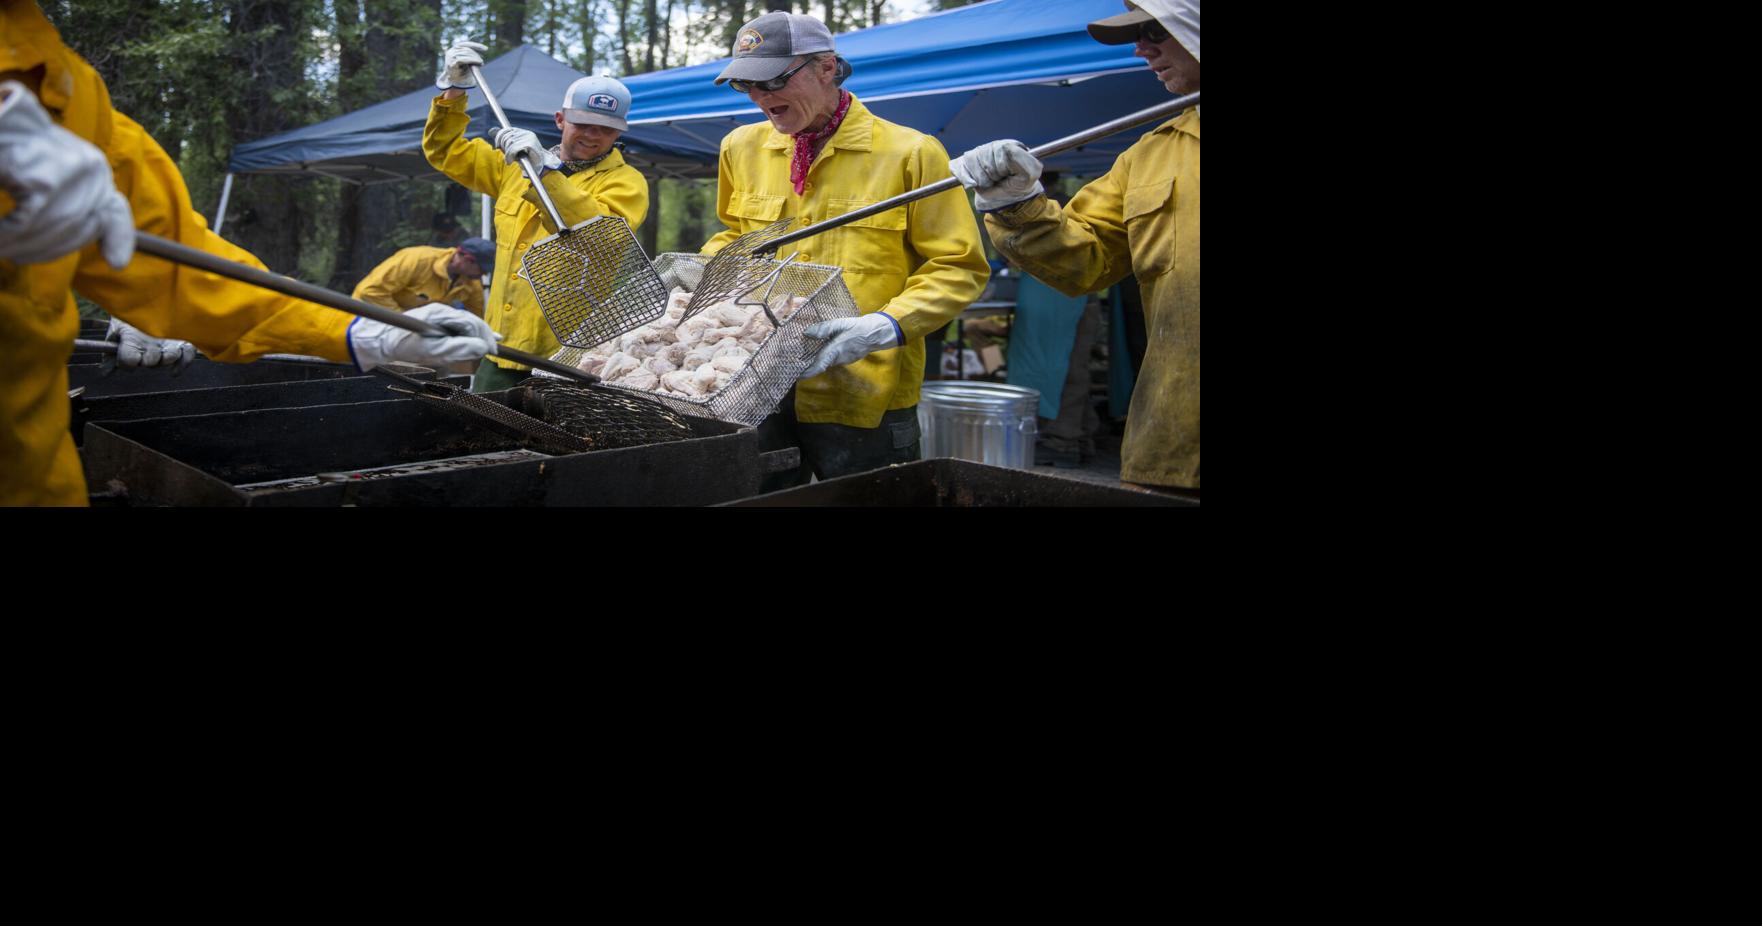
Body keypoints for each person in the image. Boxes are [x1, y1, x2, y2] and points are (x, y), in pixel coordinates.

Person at [0, 0, 498, 506]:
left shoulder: (64, 87)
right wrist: (379, 317)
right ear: (460, 252)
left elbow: (183, 266)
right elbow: (372, 290)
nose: (473, 272)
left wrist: (368, 332)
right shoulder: (415, 259)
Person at [706, 11, 989, 484]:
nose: (760, 96)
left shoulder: (910, 153)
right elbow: (736, 237)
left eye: (773, 80)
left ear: (827, 67)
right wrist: (695, 278)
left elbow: (958, 266)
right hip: (756, 383)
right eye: (745, 85)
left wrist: (887, 326)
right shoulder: (740, 148)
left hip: (866, 390)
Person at [951, 0, 1199, 491]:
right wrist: (1014, 202)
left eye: (1156, 30)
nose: (1141, 49)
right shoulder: (1149, 155)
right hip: (1176, 448)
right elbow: (1087, 258)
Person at [424, 40, 648, 393]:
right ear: (561, 120)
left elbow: (602, 236)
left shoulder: (627, 182)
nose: (593, 136)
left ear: (619, 132)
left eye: (605, 128)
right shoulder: (516, 166)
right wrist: (454, 90)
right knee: (480, 424)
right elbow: (445, 151)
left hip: (571, 359)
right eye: (583, 123)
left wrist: (546, 172)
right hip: (502, 349)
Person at [353, 237, 494, 317]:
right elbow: (369, 292)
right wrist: (405, 321)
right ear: (468, 259)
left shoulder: (469, 282)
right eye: (482, 269)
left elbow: (480, 315)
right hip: (364, 318)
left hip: (405, 329)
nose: (483, 274)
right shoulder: (417, 259)